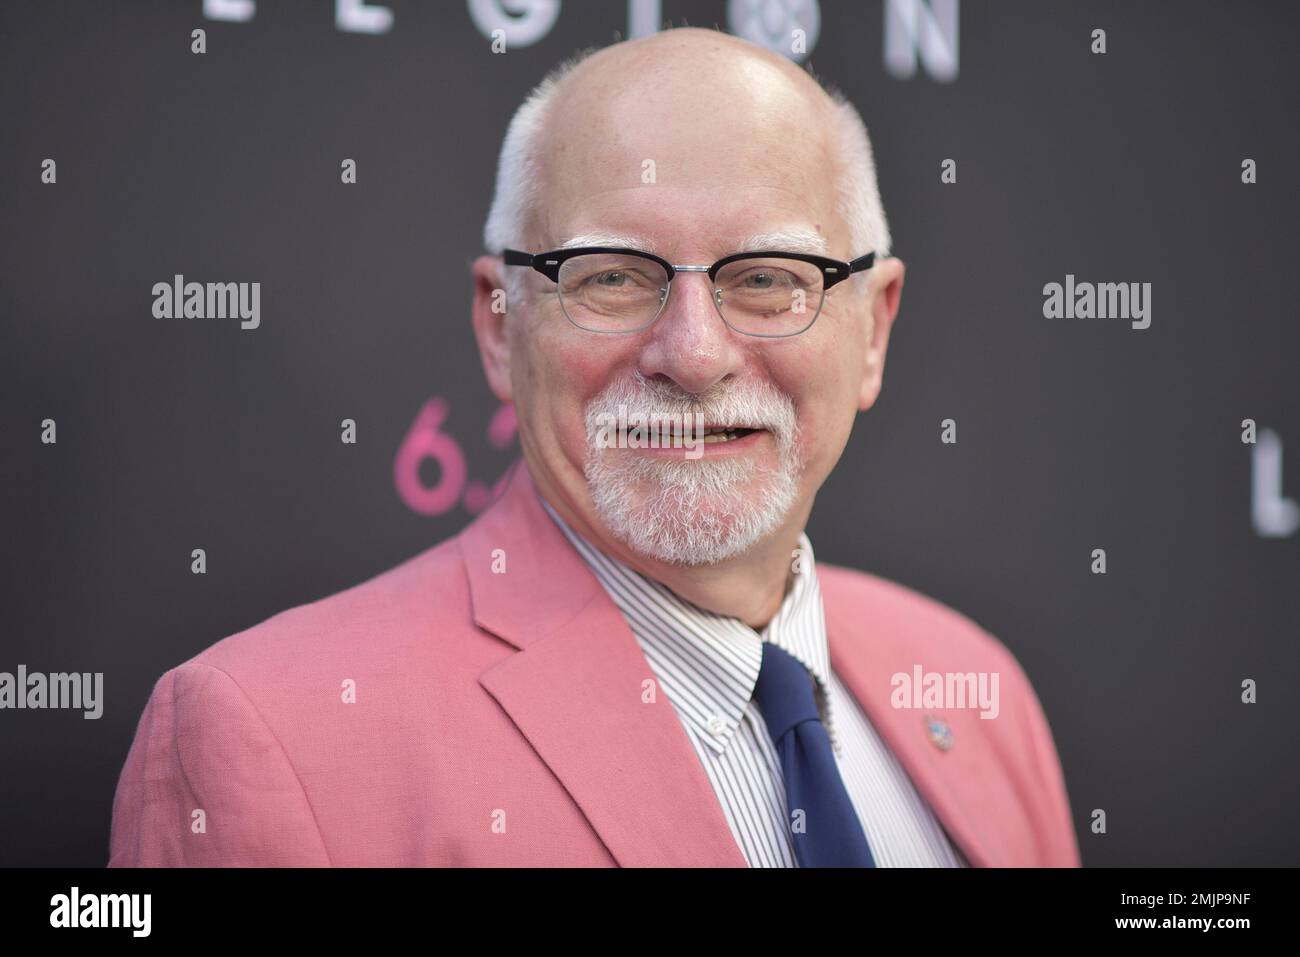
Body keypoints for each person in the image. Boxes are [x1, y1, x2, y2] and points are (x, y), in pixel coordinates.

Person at [109, 27, 1079, 867]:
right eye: (611, 277)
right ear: (501, 327)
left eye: (769, 278)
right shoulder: (273, 734)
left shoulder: (972, 684)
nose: (693, 354)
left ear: (871, 331)